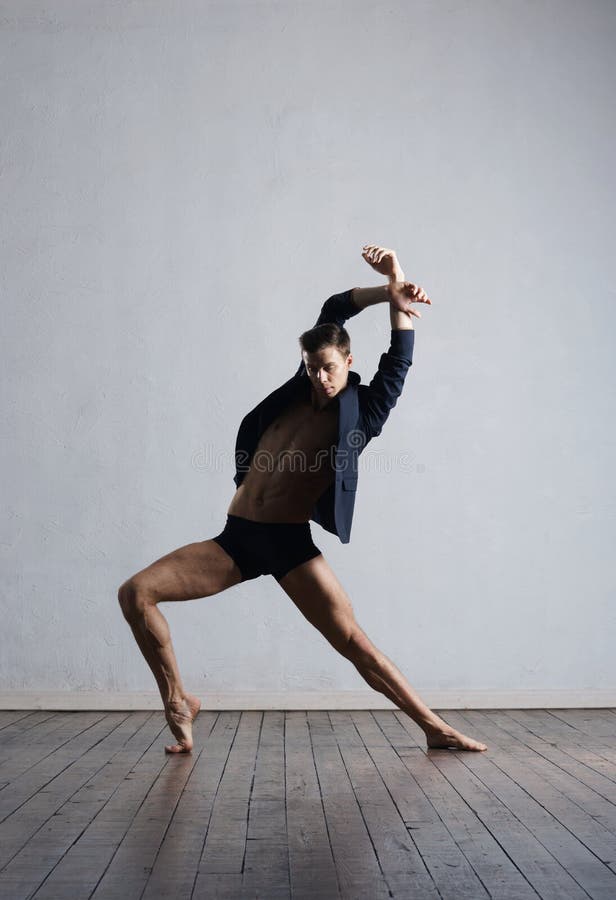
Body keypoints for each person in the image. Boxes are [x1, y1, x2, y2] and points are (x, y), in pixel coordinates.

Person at [118, 244, 488, 754]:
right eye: (311, 367)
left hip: (290, 544)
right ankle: (179, 700)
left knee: (354, 644)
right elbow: (335, 308)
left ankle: (434, 727)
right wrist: (383, 289)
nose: (319, 376)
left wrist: (399, 285)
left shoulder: (365, 409)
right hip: (237, 539)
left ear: (349, 361)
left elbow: (399, 359)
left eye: (328, 368)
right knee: (135, 593)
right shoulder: (299, 387)